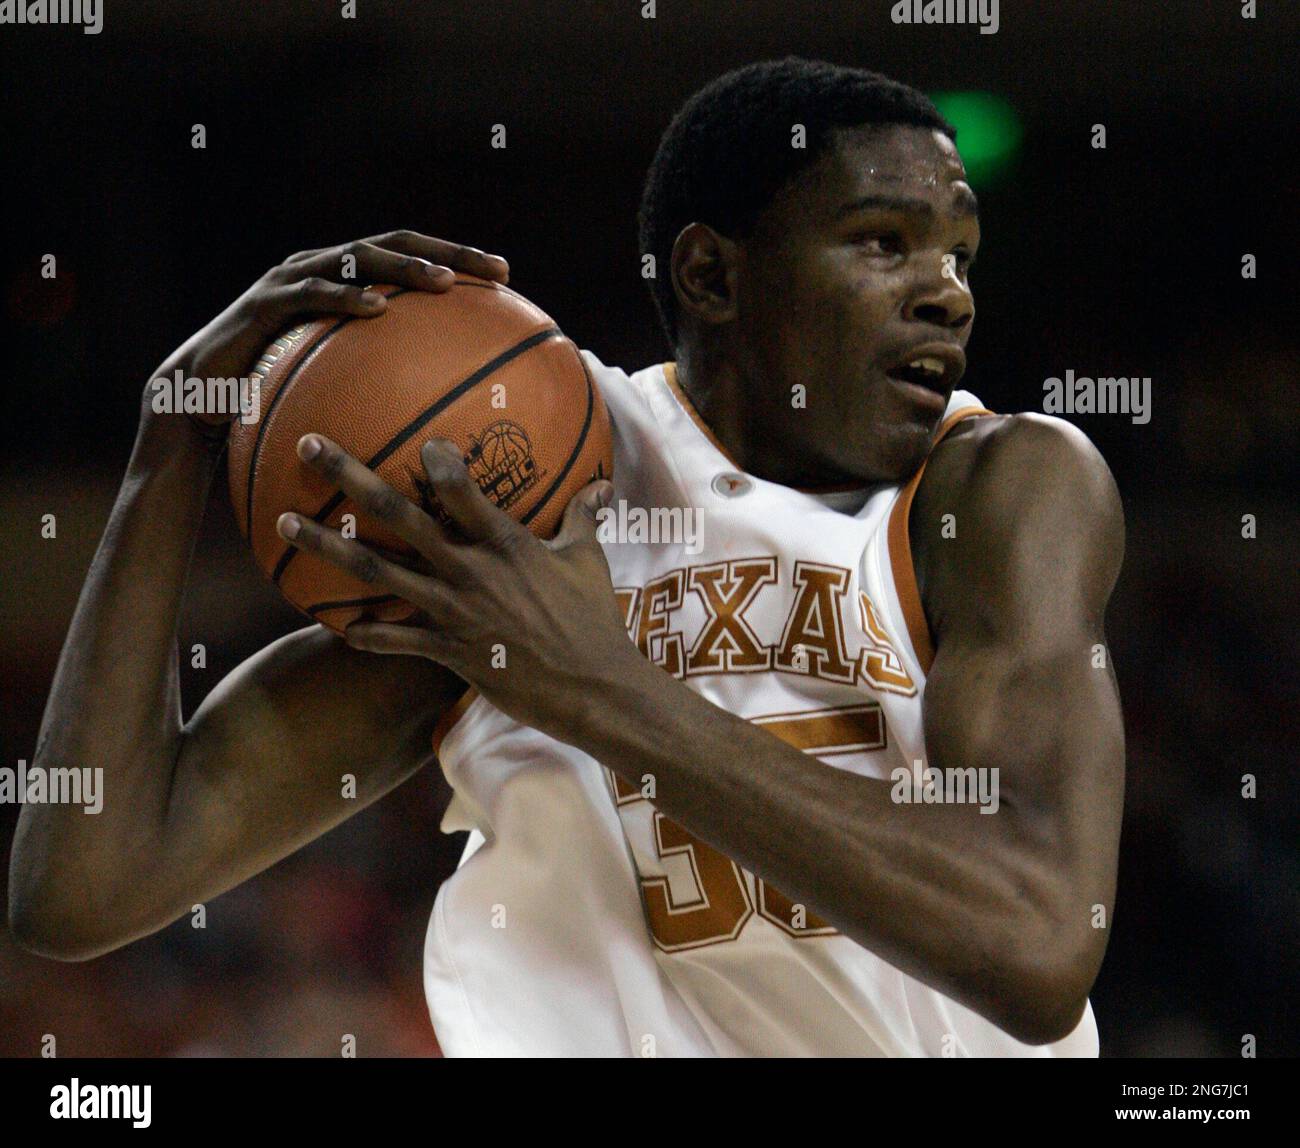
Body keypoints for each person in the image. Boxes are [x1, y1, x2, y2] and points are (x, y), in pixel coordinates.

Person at [9, 57, 1124, 1057]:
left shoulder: (999, 490)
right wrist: (170, 447)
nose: (948, 291)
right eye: (883, 241)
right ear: (710, 276)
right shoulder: (527, 490)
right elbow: (84, 887)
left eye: (960, 252)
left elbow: (1033, 945)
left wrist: (600, 688)